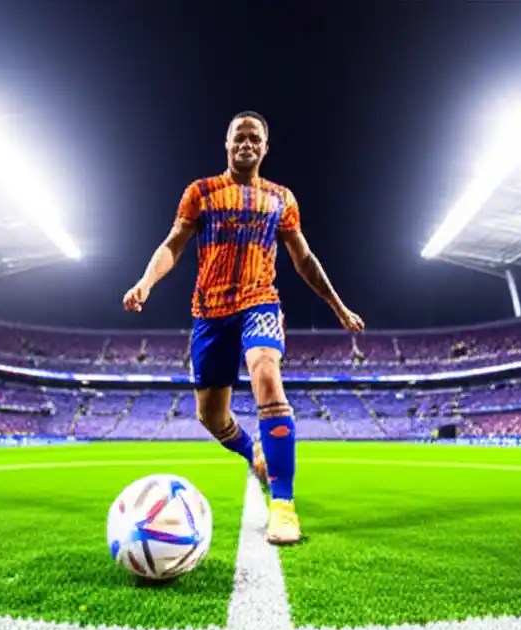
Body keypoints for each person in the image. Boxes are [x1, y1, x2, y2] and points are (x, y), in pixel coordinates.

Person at [123, 111, 363, 545]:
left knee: (267, 374)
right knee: (211, 417)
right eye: (240, 137)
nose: (247, 143)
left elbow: (304, 259)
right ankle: (251, 448)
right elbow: (173, 244)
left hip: (260, 300)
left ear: (265, 147)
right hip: (210, 312)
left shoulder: (281, 199)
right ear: (227, 144)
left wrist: (338, 306)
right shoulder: (201, 192)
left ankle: (283, 505)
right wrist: (145, 282)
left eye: (255, 137)